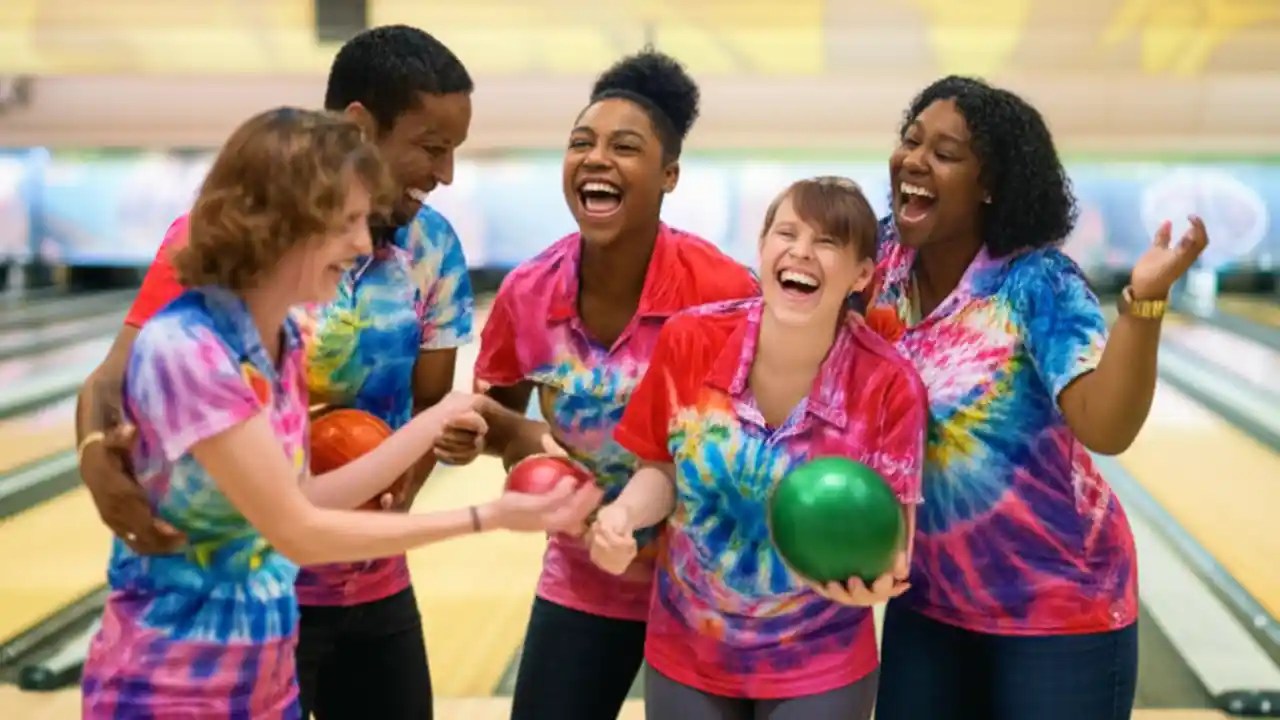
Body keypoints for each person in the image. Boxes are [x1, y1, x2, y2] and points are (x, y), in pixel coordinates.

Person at [78, 107, 597, 720]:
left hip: (264, 690)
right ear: (281, 223)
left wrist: (432, 423)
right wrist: (488, 515)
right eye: (347, 222)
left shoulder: (278, 345)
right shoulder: (190, 350)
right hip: (170, 692)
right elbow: (298, 530)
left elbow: (309, 495)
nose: (361, 242)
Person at [74, 25, 478, 720]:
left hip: (357, 581)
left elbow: (421, 413)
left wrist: (430, 454)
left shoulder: (428, 250)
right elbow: (115, 379)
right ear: (359, 126)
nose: (444, 174)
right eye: (431, 147)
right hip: (237, 600)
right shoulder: (208, 281)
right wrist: (93, 459)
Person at [865, 76, 1209, 720]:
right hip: (929, 600)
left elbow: (1104, 427)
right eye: (911, 141)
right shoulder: (879, 263)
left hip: (1057, 608)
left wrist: (1143, 308)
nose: (914, 160)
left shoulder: (1036, 284)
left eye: (944, 153)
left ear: (990, 183)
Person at [433, 49, 760, 720]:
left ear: (669, 175)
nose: (596, 157)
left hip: (711, 584)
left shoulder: (723, 292)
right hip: (585, 577)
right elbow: (492, 416)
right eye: (581, 143)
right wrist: (506, 436)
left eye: (625, 147)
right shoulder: (527, 292)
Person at [585, 177, 927, 719]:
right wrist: (622, 516)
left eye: (827, 242)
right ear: (763, 248)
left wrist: (877, 578)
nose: (800, 251)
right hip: (689, 647)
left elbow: (894, 534)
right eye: (786, 233)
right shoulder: (690, 341)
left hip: (819, 656)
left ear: (862, 274)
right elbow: (661, 469)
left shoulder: (889, 383)